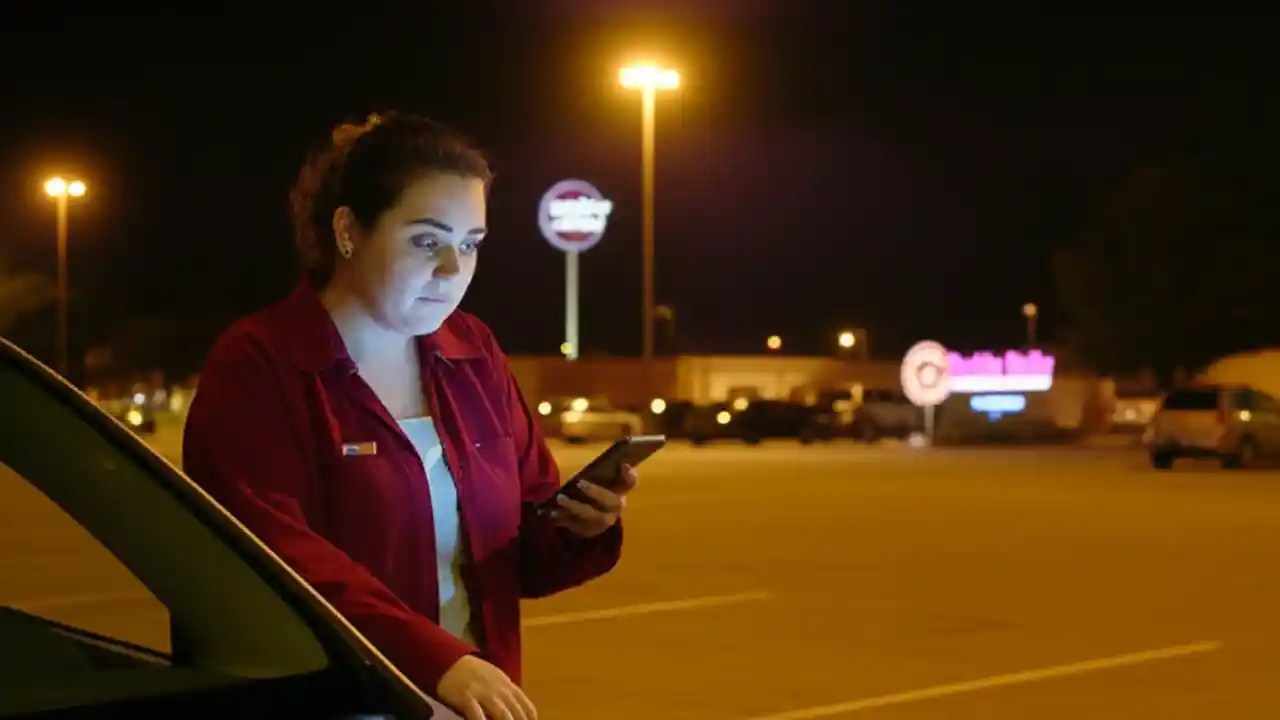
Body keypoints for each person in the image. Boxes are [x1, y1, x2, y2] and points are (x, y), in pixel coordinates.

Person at [182, 111, 637, 720]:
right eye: (427, 240)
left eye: (470, 244)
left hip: (468, 703)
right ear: (348, 231)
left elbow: (518, 556)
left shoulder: (473, 353)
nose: (454, 270)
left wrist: (580, 529)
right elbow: (273, 559)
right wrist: (433, 658)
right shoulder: (262, 364)